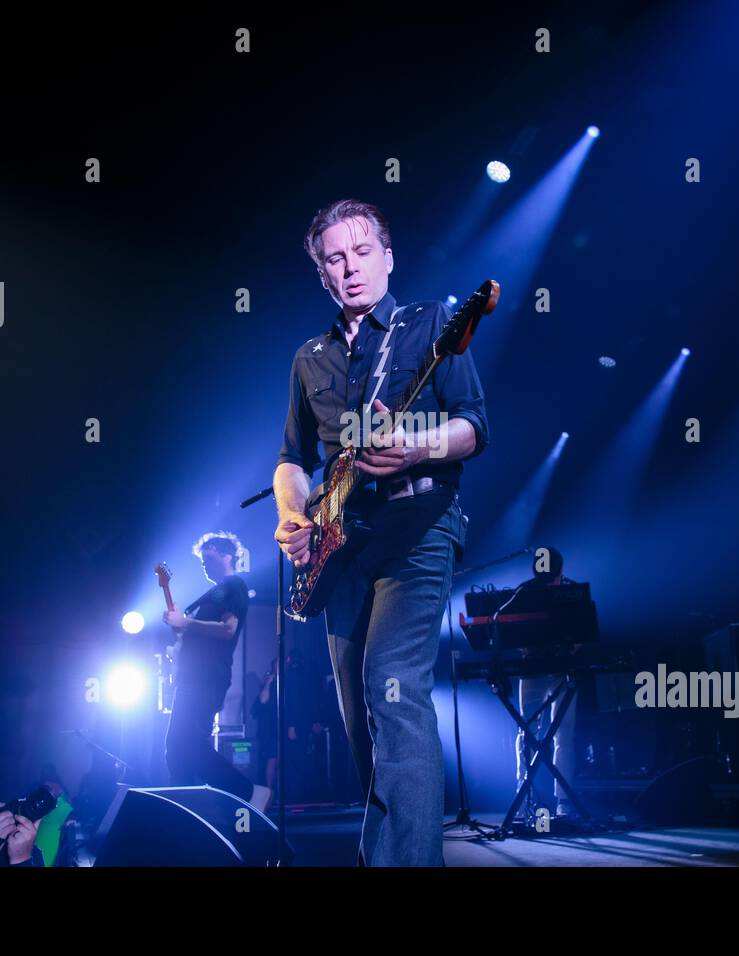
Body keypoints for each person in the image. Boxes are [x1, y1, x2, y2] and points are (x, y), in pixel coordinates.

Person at [274, 199, 488, 865]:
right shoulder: (310, 358)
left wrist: (417, 446)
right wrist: (293, 514)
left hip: (418, 524)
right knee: (360, 716)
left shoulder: (432, 324)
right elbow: (291, 459)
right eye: (335, 258)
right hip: (344, 545)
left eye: (362, 251)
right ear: (324, 275)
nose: (351, 266)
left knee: (391, 682)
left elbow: (474, 425)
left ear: (387, 258)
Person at [163, 531, 272, 811]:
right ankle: (184, 810)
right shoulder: (210, 594)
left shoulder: (233, 585)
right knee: (175, 748)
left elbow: (228, 629)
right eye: (201, 561)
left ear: (225, 554)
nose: (203, 564)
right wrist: (182, 624)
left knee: (188, 744)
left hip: (206, 678)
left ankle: (249, 792)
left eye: (207, 556)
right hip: (191, 678)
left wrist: (185, 623)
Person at [514, 547, 581, 819]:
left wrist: (571, 648)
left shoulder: (574, 591)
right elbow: (512, 631)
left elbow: (584, 631)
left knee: (564, 735)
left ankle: (563, 802)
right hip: (532, 668)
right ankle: (522, 798)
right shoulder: (524, 591)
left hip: (563, 667)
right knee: (527, 732)